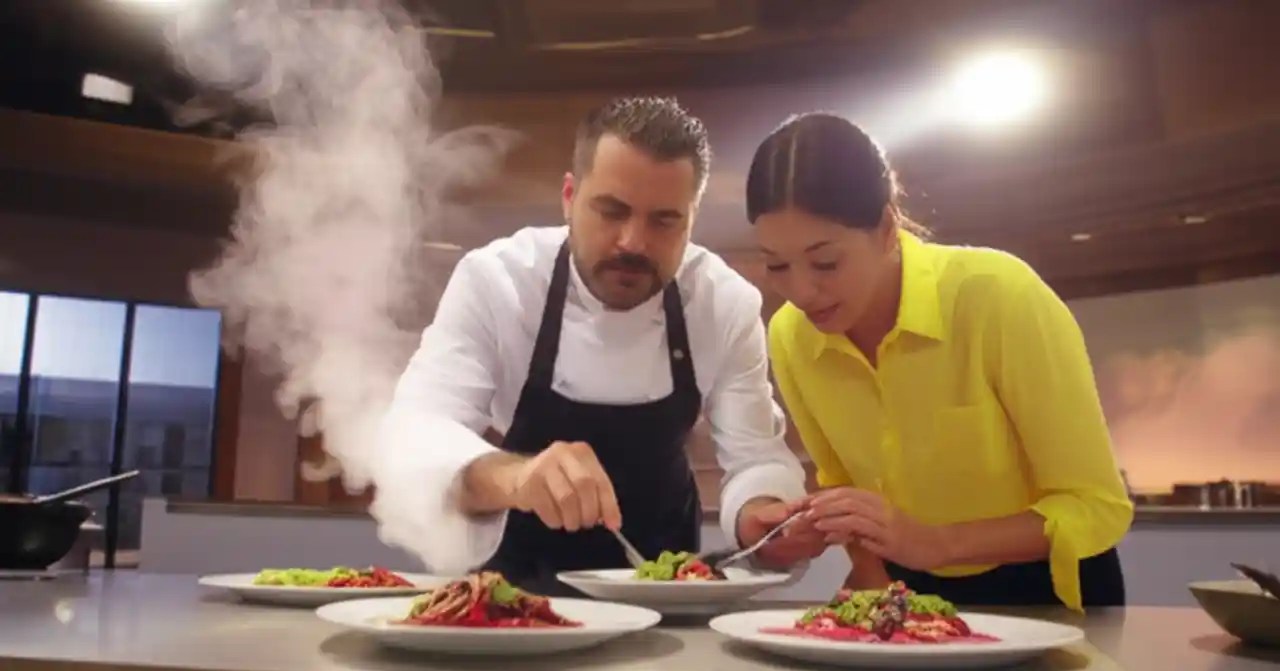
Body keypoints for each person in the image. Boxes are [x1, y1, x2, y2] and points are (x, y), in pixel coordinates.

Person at [380, 96, 824, 593]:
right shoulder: (498, 282)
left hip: (666, 607)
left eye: (664, 220)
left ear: (691, 220)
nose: (633, 242)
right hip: (511, 607)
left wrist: (764, 519)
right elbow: (414, 438)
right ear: (569, 197)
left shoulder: (722, 303)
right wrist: (516, 479)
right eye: (611, 211)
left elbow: (755, 456)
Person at [746, 112, 1133, 610]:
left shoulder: (997, 296)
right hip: (904, 589)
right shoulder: (791, 335)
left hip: (1049, 592)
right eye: (776, 265)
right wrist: (854, 558)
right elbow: (843, 485)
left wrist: (937, 543)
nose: (799, 291)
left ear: (886, 227)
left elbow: (1096, 507)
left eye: (826, 263)